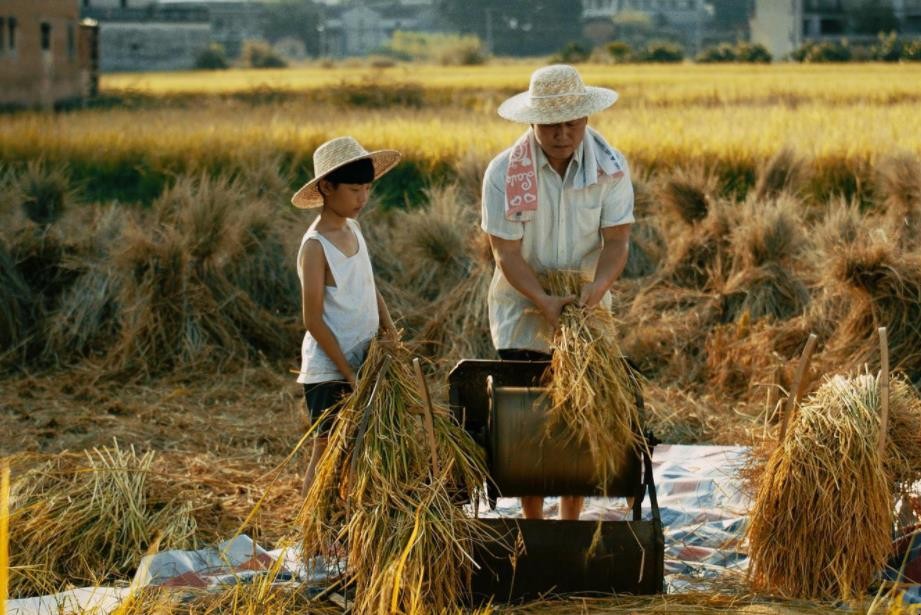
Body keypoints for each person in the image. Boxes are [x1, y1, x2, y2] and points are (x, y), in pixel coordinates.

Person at [481, 64, 635, 520]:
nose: (562, 133)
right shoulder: (506, 172)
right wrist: (542, 300)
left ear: (585, 119)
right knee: (528, 422)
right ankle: (532, 522)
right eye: (551, 123)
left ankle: (569, 521)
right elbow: (505, 253)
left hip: (586, 310)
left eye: (571, 122)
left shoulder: (610, 168)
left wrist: (595, 290)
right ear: (533, 121)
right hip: (521, 309)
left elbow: (618, 241)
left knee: (579, 419)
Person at [292, 136, 400, 494]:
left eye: (367, 188)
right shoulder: (315, 246)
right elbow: (313, 320)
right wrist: (348, 373)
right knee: (325, 449)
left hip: (363, 361)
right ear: (326, 187)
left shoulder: (353, 229)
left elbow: (370, 286)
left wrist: (389, 330)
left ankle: (341, 525)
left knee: (356, 449)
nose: (363, 199)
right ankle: (314, 529)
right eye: (354, 189)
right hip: (330, 368)